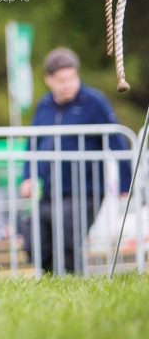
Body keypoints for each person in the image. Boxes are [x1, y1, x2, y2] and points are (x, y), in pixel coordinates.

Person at [19, 47, 132, 273]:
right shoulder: (43, 106)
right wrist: (28, 177)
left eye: (71, 78)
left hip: (86, 189)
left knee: (67, 236)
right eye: (61, 80)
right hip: (51, 190)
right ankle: (51, 283)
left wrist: (125, 183)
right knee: (35, 238)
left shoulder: (94, 102)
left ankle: (74, 283)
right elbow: (32, 144)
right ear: (48, 80)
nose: (67, 84)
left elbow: (117, 142)